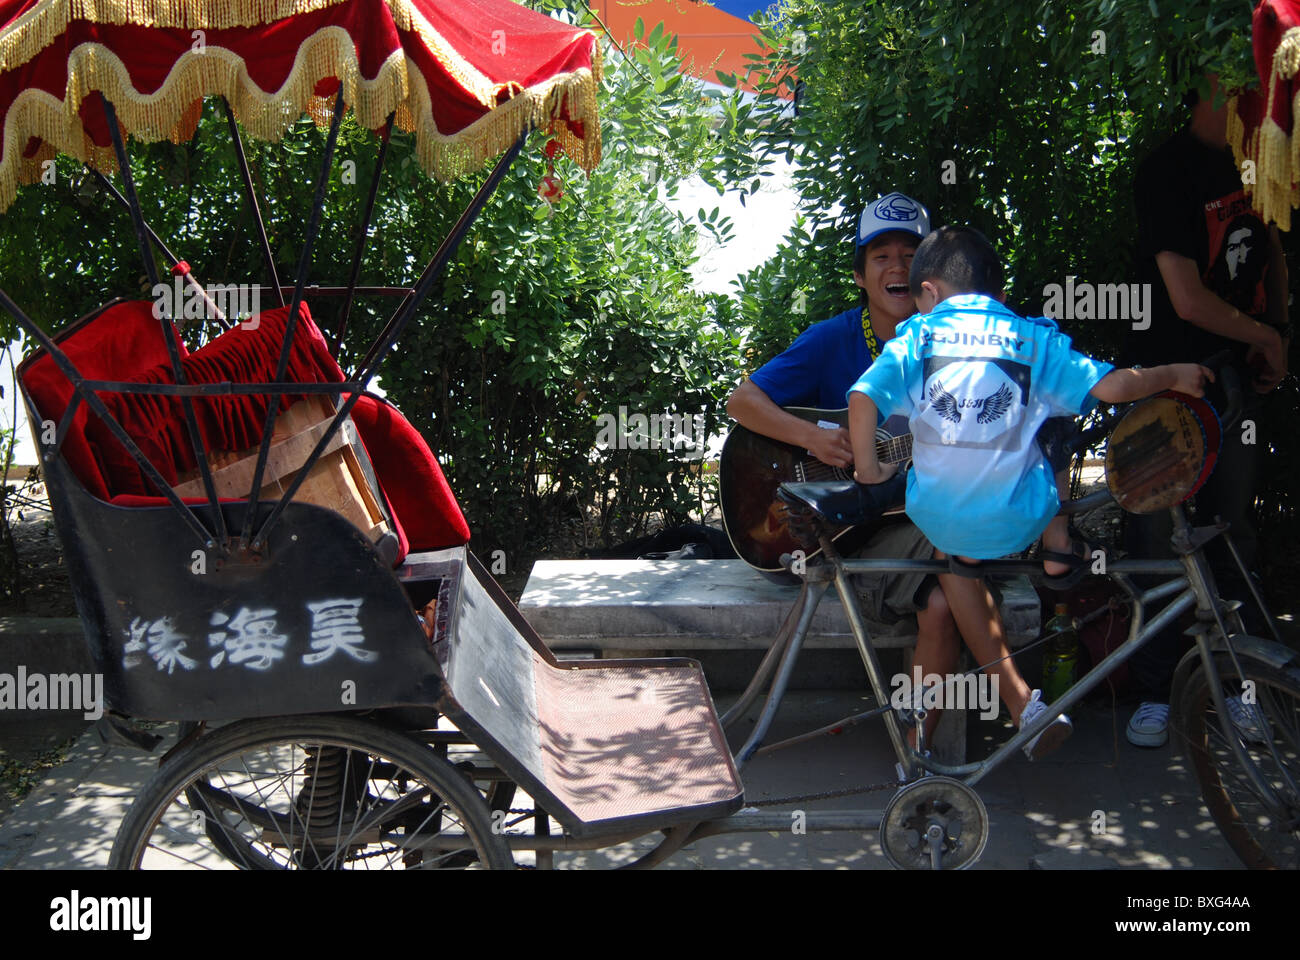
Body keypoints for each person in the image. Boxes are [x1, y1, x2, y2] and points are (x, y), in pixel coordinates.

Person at [847, 226, 1212, 758]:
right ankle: (1059, 544)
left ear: (928, 292)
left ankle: (937, 740)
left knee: (954, 542)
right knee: (1051, 416)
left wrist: (869, 470)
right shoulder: (1031, 337)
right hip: (1021, 518)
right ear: (997, 294)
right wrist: (1174, 373)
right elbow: (1114, 387)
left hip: (937, 517)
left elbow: (862, 397)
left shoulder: (916, 338)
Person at [727, 194, 1064, 759]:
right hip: (844, 537)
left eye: (911, 253)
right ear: (860, 276)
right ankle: (1020, 702)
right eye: (881, 255)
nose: (897, 266)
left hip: (922, 531)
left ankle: (916, 755)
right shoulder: (832, 339)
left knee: (938, 603)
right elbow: (743, 402)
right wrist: (814, 438)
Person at [1122, 73, 1291, 747]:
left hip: (1235, 383)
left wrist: (1276, 336)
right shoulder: (1167, 170)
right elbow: (1187, 299)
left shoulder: (1261, 160)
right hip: (1166, 382)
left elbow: (1272, 247)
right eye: (1239, 78)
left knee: (1232, 535)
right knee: (1156, 535)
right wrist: (1267, 337)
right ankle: (1158, 693)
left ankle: (1247, 688)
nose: (1255, 92)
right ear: (1205, 85)